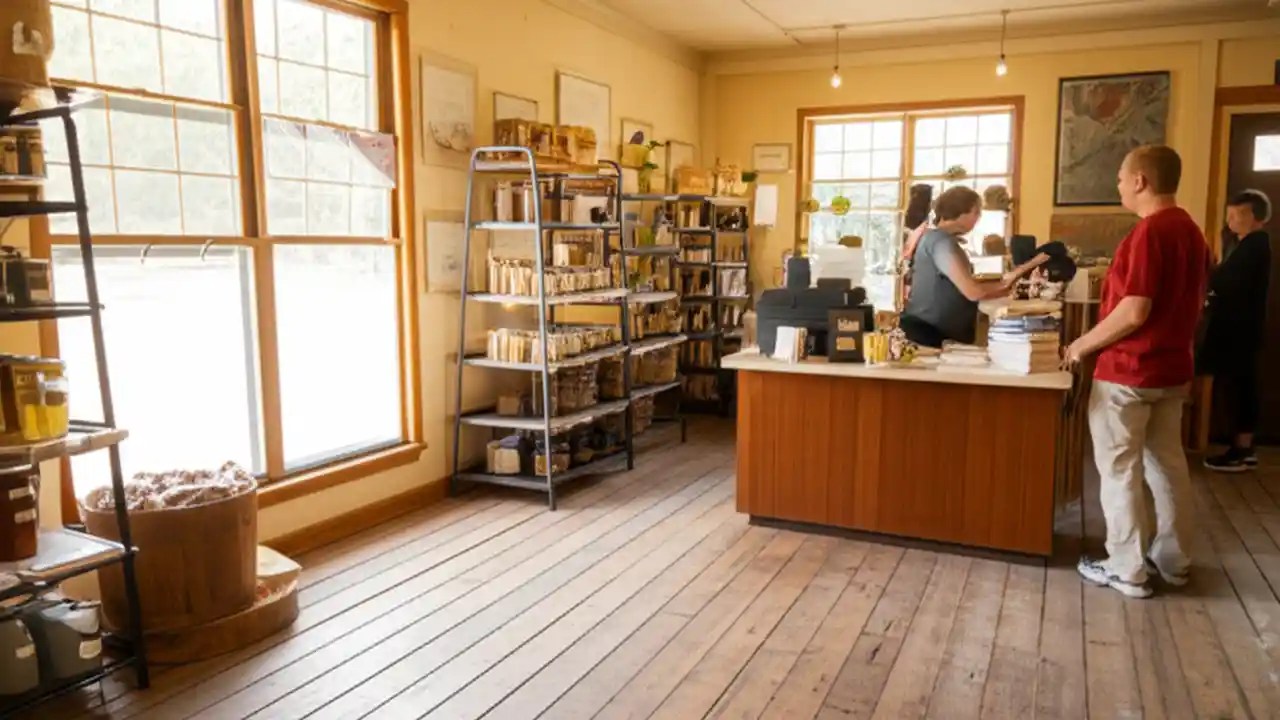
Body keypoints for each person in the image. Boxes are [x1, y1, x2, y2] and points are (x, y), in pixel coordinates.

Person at [1064, 145, 1210, 599]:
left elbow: (1134, 310)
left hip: (1129, 371)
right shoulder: (1192, 231)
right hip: (1172, 369)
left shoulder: (1149, 232)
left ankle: (1127, 568)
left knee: (1119, 470)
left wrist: (1081, 345)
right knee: (1168, 467)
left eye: (1121, 178)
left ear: (1141, 181)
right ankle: (1174, 560)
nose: (1119, 185)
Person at [900, 187, 1044, 347]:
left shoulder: (936, 238)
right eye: (976, 212)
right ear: (961, 212)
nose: (978, 218)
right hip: (928, 334)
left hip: (932, 332)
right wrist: (1007, 285)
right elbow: (973, 292)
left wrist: (1005, 287)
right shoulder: (941, 242)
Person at [1200, 190, 1272, 472]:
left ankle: (1241, 449)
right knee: (1236, 386)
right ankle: (1243, 448)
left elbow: (1225, 280)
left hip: (1240, 330)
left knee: (1239, 388)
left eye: (1238, 214)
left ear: (1256, 217)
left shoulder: (1255, 245)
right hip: (1235, 329)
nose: (1231, 220)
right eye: (1229, 214)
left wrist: (1208, 270)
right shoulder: (1240, 244)